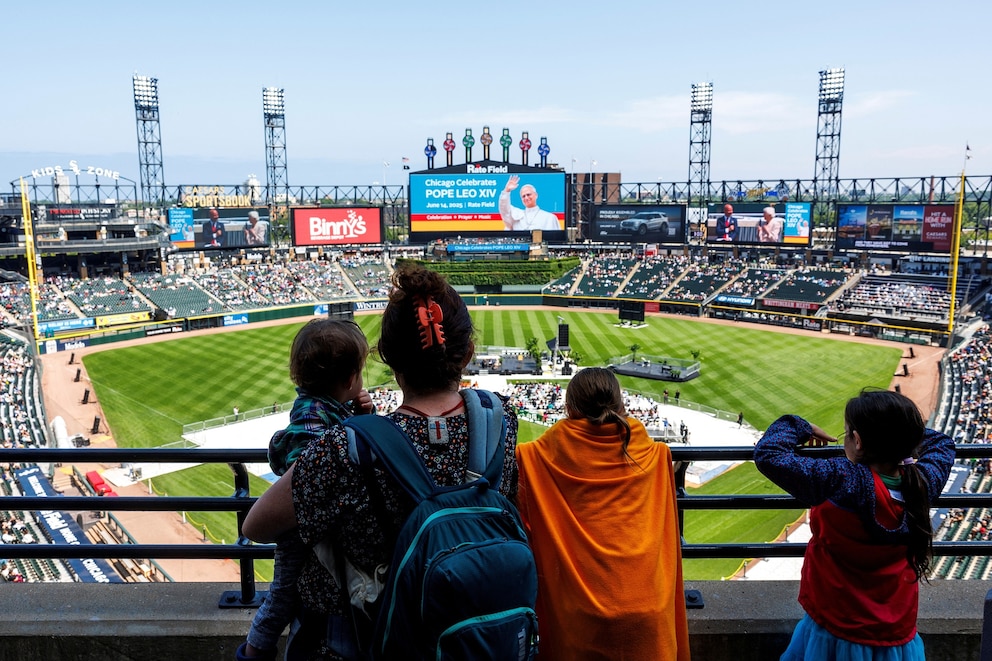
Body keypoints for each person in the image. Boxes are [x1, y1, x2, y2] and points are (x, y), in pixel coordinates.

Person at [243, 263, 520, 660]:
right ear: (469, 353)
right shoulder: (501, 419)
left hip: (360, 636)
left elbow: (257, 525)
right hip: (474, 627)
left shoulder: (348, 446)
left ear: (388, 359)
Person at [754, 389, 955, 661]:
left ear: (857, 441)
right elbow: (942, 444)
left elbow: (769, 455)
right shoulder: (925, 480)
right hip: (896, 633)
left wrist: (798, 425)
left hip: (832, 627)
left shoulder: (840, 478)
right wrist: (900, 436)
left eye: (847, 432)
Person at [515, 367, 690, 660]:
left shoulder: (535, 457)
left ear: (569, 408)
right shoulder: (657, 456)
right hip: (651, 612)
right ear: (621, 405)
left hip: (578, 619)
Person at [238, 319, 373, 661]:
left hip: (309, 523)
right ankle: (254, 652)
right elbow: (311, 470)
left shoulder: (320, 406)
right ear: (349, 379)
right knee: (281, 595)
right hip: (298, 529)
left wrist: (361, 413)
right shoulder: (312, 413)